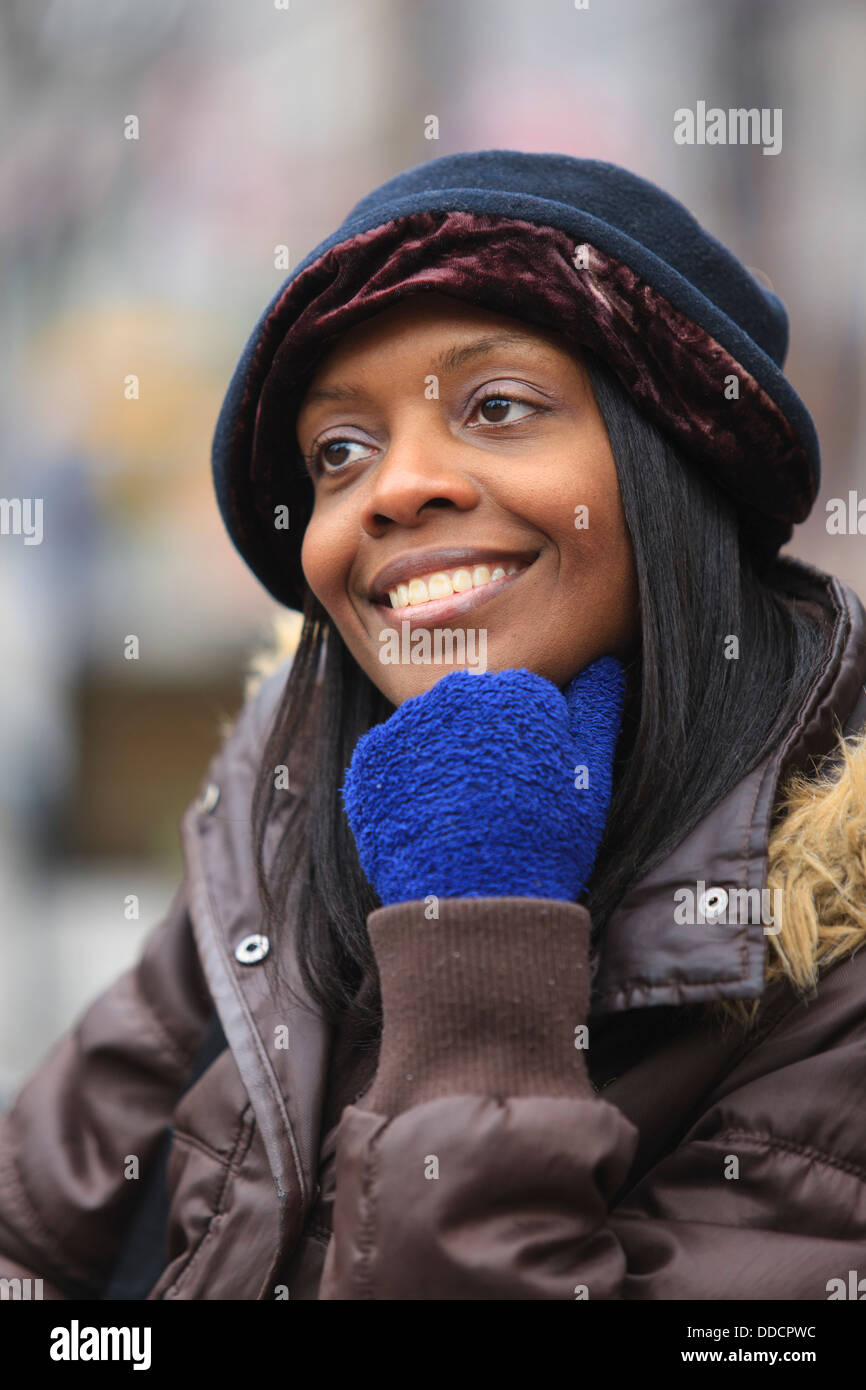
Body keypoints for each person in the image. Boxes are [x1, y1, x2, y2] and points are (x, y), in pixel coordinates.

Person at [1, 150, 865, 1302]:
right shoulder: (281, 793)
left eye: (495, 406)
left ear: (677, 460)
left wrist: (480, 943)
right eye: (338, 452)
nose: (394, 488)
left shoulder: (837, 960)